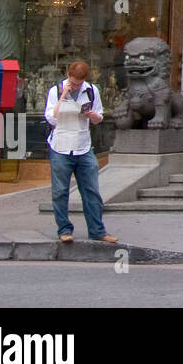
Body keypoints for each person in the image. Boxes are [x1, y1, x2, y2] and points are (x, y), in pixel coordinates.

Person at [45, 61, 117, 244]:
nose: (76, 85)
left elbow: (98, 118)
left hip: (83, 146)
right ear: (68, 75)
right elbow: (51, 118)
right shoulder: (56, 90)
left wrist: (92, 115)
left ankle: (97, 230)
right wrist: (64, 95)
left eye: (79, 83)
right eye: (73, 82)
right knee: (60, 191)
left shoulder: (92, 91)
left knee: (91, 190)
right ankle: (64, 229)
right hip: (60, 146)